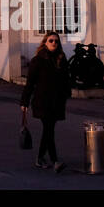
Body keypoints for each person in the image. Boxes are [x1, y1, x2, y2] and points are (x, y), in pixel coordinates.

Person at [20, 31, 72, 171]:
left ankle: (40, 157)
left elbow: (66, 78)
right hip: (42, 101)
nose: (54, 43)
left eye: (56, 41)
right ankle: (55, 161)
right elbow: (30, 83)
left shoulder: (62, 58)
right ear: (45, 42)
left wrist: (67, 93)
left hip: (57, 101)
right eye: (51, 40)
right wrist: (24, 102)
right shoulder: (38, 60)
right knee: (49, 129)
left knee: (48, 130)